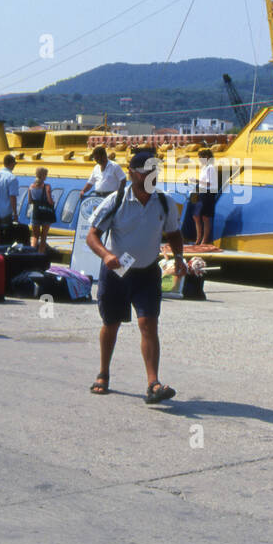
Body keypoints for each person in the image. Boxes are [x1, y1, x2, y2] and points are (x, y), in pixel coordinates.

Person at [85, 150, 186, 403]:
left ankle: (153, 383)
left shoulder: (164, 202)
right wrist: (106, 255)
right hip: (117, 272)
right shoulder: (115, 201)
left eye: (155, 171)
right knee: (111, 323)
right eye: (146, 171)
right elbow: (92, 235)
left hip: (148, 272)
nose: (152, 175)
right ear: (132, 173)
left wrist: (180, 259)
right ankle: (103, 373)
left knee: (148, 325)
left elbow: (173, 233)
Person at [27, 166, 56, 254]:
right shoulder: (47, 186)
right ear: (43, 175)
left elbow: (30, 201)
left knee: (35, 236)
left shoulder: (31, 186)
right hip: (45, 213)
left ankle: (32, 254)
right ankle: (40, 255)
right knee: (43, 236)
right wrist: (52, 202)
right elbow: (50, 201)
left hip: (35, 212)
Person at [191, 148, 217, 246]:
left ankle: (204, 240)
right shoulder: (204, 168)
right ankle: (198, 238)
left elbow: (209, 183)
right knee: (196, 215)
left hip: (208, 193)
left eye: (200, 158)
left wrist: (196, 181)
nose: (199, 160)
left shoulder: (210, 168)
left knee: (205, 217)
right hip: (202, 192)